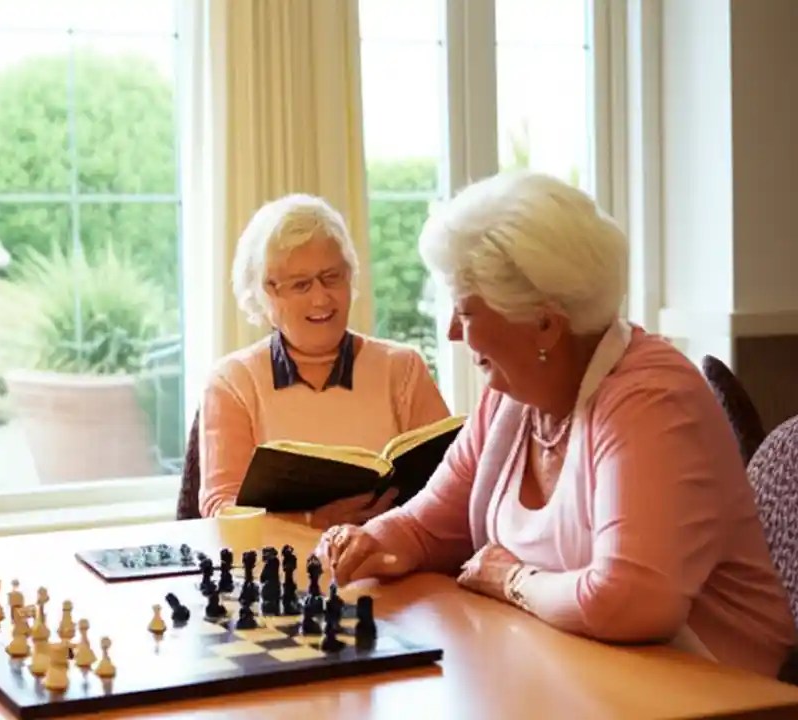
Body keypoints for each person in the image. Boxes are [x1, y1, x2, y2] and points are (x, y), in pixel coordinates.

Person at [320, 171, 796, 677]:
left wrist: (511, 579)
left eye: (466, 311)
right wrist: (373, 540)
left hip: (715, 688)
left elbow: (630, 601)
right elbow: (428, 527)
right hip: (580, 671)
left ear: (543, 323)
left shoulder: (652, 398)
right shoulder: (511, 395)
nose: (453, 332)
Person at [199, 193, 450, 527]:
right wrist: (310, 521)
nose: (321, 298)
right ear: (265, 293)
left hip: (392, 551)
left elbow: (453, 484)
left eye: (332, 277)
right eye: (301, 285)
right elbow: (222, 507)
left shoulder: (403, 368)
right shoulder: (233, 382)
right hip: (287, 559)